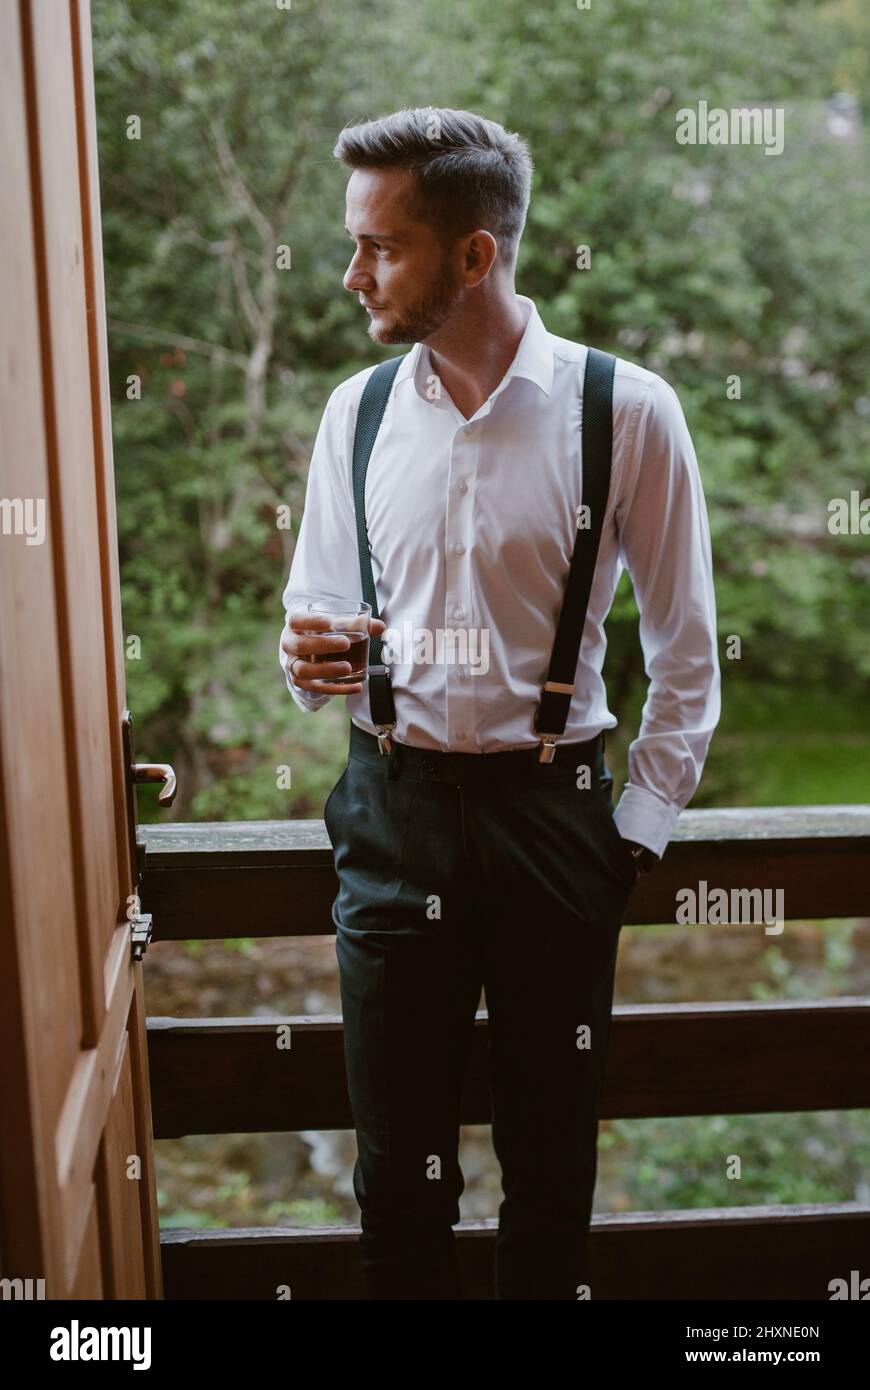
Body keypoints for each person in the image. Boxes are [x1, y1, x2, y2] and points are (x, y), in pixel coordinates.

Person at [278, 106, 720, 1300]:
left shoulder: (626, 412)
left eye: (380, 246)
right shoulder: (354, 415)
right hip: (392, 806)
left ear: (474, 255)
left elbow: (687, 651)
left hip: (555, 818)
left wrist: (635, 829)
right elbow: (313, 608)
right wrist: (308, 653)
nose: (350, 273)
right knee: (400, 1172)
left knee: (551, 1160)